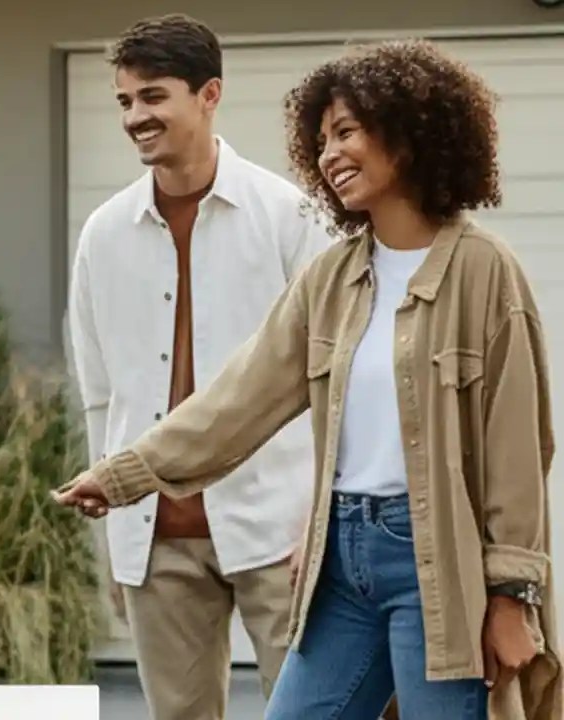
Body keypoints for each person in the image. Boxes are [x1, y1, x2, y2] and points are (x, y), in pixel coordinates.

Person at [55, 37, 561, 720]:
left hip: (435, 564)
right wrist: (124, 475)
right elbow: (240, 399)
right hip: (343, 562)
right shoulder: (334, 278)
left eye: (347, 132)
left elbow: (518, 451)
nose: (329, 155)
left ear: (410, 133)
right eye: (321, 140)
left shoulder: (483, 272)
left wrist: (512, 594)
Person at [65, 14, 329, 720]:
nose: (135, 117)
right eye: (124, 101)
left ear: (208, 95)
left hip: (278, 527)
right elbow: (100, 393)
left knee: (312, 712)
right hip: (155, 537)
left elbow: (329, 380)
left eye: (153, 97)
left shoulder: (288, 214)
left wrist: (320, 521)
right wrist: (115, 536)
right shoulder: (103, 233)